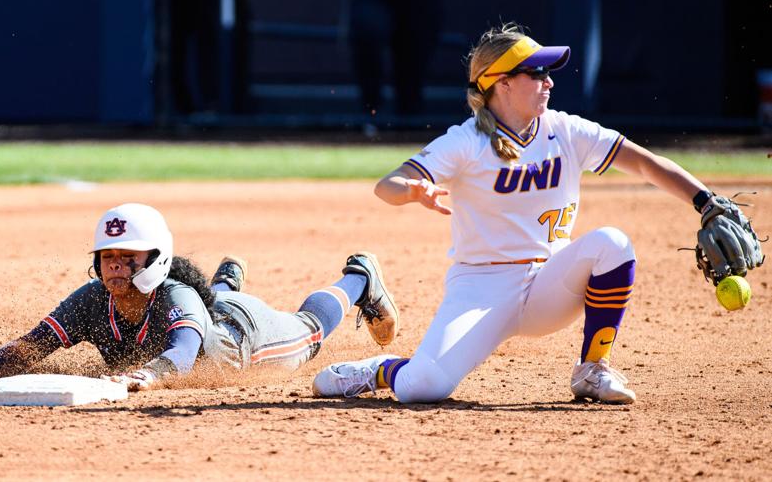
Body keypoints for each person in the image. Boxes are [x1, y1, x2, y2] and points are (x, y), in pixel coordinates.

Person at [311, 23, 764, 404]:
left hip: (551, 282)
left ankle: (593, 368)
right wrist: (413, 191)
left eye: (548, 72)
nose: (548, 81)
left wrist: (705, 202)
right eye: (536, 72)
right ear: (501, 83)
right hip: (482, 287)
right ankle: (380, 370)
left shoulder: (565, 130)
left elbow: (645, 163)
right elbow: (386, 185)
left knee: (613, 243)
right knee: (424, 387)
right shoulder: (467, 141)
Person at [0, 203, 399, 391]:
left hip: (247, 339)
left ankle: (360, 279)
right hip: (204, 307)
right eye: (108, 256)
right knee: (199, 300)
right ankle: (223, 283)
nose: (114, 265)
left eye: (127, 257)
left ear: (155, 259)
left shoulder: (176, 296)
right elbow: (35, 344)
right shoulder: (91, 300)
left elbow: (185, 352)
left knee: (310, 329)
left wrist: (149, 374)